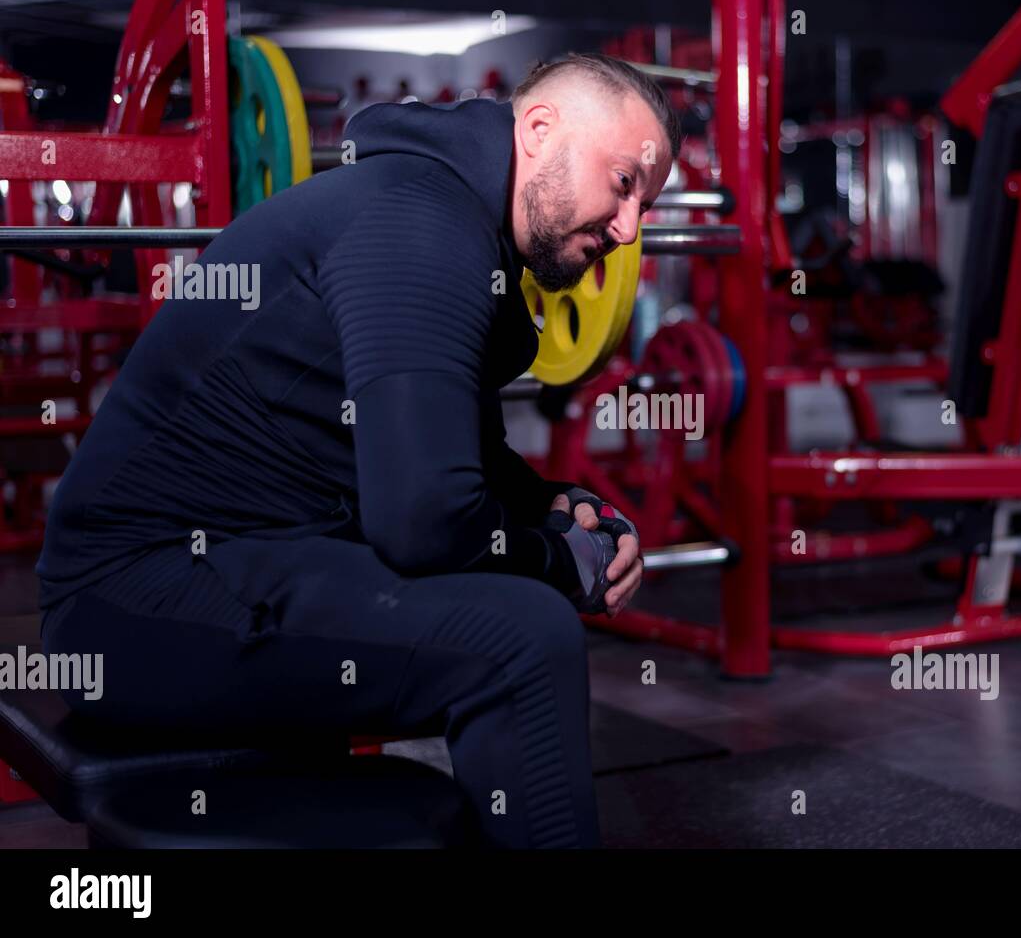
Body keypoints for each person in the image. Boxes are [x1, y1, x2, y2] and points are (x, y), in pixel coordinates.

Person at [35, 53, 680, 849]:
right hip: (130, 598)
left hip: (238, 554)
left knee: (515, 607)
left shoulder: (445, 215)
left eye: (643, 204)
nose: (629, 230)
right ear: (540, 131)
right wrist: (558, 562)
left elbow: (455, 458)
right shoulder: (422, 224)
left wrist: (555, 504)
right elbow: (424, 521)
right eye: (623, 185)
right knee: (523, 636)